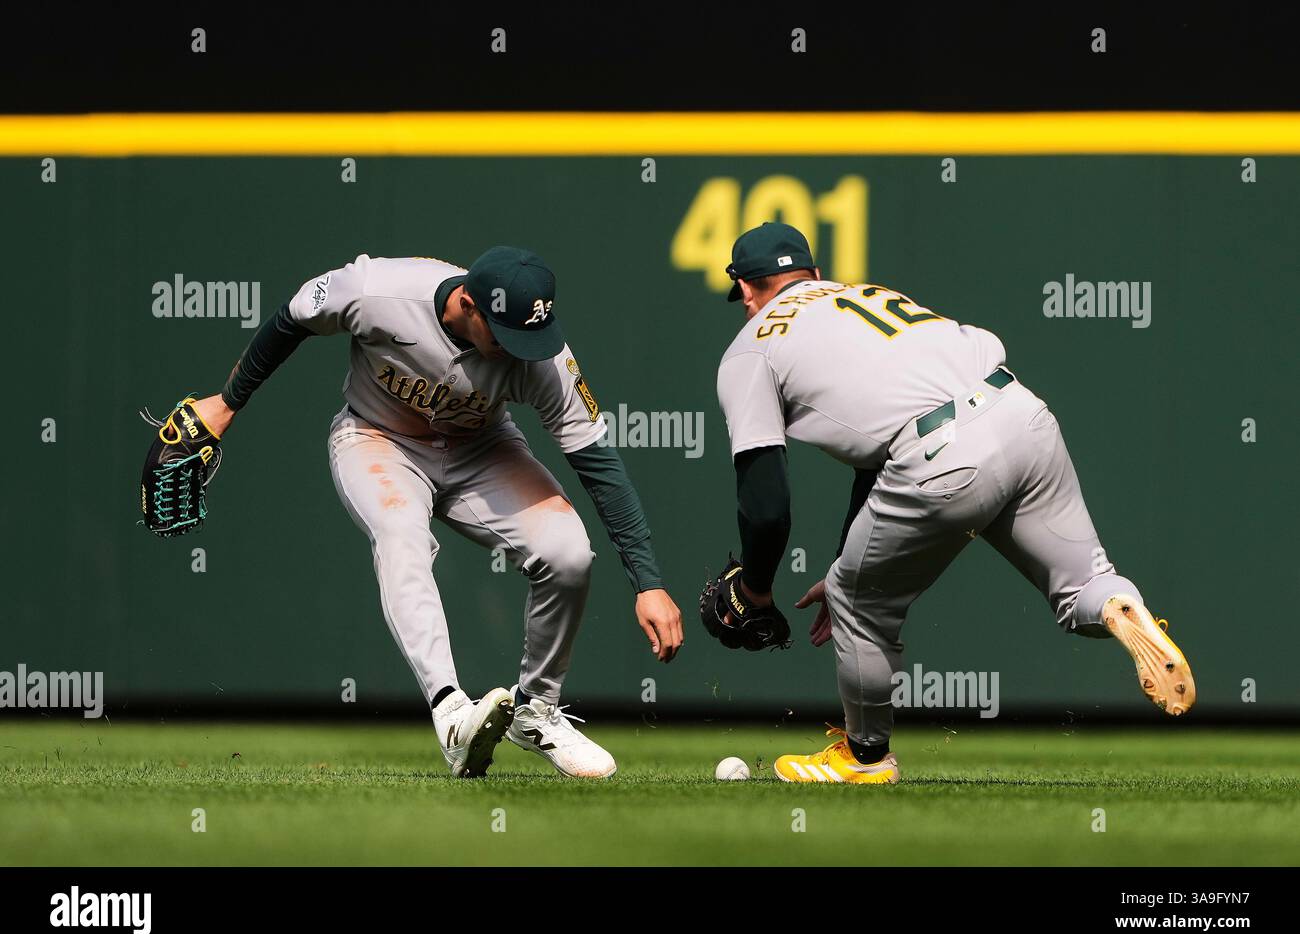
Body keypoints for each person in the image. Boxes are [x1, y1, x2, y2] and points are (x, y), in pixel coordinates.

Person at [711, 222, 1193, 785]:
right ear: (814, 275)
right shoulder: (864, 295)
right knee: (1084, 582)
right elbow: (876, 459)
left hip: (942, 453)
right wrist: (850, 556)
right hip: (1021, 411)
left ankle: (865, 758)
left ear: (746, 290)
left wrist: (756, 590)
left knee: (856, 603)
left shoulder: (753, 346)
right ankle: (1120, 609)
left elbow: (766, 503)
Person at [187, 247, 683, 778]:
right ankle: (451, 713)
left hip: (482, 450)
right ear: (468, 303)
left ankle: (536, 709)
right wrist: (227, 402)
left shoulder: (543, 358)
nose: (521, 349)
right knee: (402, 533)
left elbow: (598, 464)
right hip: (378, 439)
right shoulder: (378, 290)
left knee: (568, 556)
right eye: (506, 334)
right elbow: (293, 318)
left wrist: (647, 582)